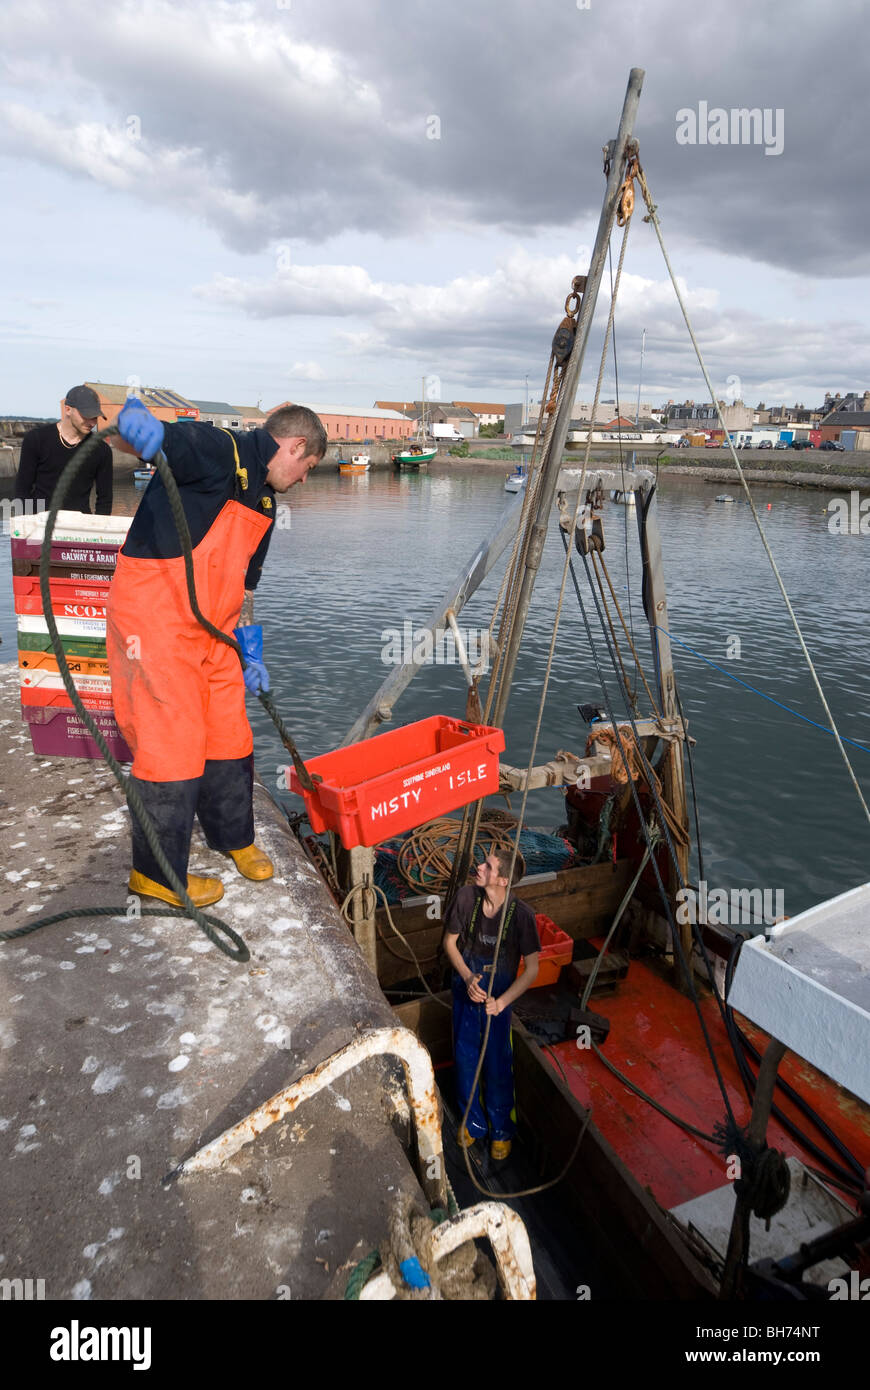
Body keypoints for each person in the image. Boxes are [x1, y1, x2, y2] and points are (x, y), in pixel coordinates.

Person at [106, 396, 326, 909]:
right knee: (171, 742)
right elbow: (163, 441)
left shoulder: (266, 504)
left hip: (214, 632)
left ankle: (233, 837)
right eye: (308, 467)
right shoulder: (217, 448)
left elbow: (246, 586)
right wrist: (135, 426)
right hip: (156, 622)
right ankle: (157, 874)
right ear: (294, 446)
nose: (304, 480)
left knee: (230, 733)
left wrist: (250, 650)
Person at [443, 848, 540, 1161]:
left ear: (503, 879)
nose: (479, 867)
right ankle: (472, 1123)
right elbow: (449, 944)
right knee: (465, 1055)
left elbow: (533, 969)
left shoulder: (522, 916)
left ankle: (501, 1130)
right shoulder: (465, 898)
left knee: (498, 1061)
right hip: (466, 990)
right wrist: (469, 977)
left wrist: (502, 1003)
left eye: (488, 866)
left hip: (499, 997)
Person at [15, 384, 113, 515]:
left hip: (79, 527)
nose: (92, 422)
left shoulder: (102, 450)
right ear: (68, 410)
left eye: (95, 417)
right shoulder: (36, 439)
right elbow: (22, 489)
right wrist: (25, 525)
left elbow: (105, 499)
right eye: (86, 415)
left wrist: (100, 530)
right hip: (39, 524)